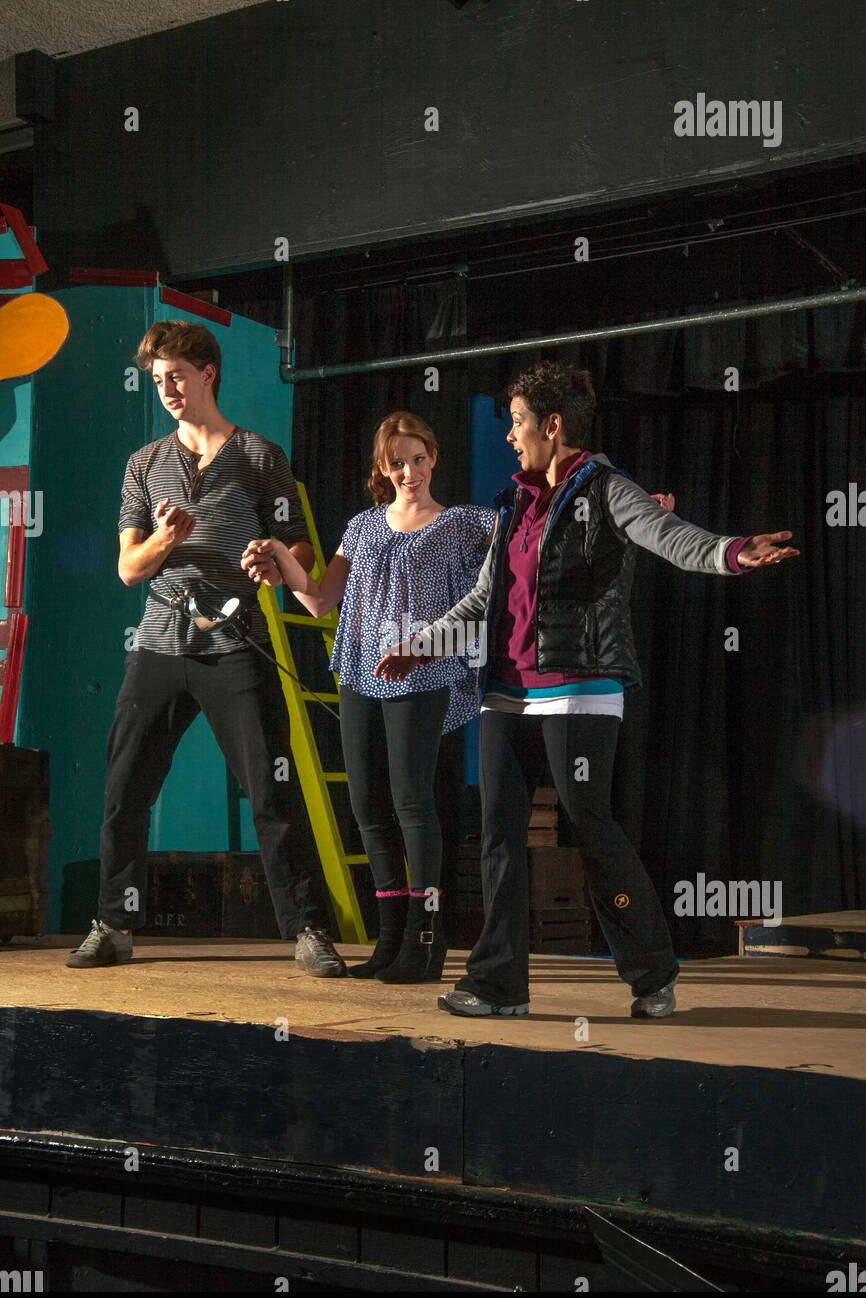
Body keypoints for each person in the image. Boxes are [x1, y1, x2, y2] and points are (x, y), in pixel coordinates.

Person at [375, 360, 799, 1018]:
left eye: (518, 423)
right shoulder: (512, 503)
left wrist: (732, 552)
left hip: (580, 685)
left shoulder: (605, 489)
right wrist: (420, 645)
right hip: (505, 691)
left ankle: (653, 972)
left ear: (552, 425)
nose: (511, 436)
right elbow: (486, 598)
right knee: (497, 835)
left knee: (589, 826)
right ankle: (497, 986)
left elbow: (670, 537)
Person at [67, 319, 345, 977]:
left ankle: (306, 929)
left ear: (207, 373)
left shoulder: (258, 456)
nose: (166, 388)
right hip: (160, 645)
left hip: (236, 644)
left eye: (176, 377)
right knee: (125, 789)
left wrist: (274, 557)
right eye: (157, 379)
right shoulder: (145, 464)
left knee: (273, 790)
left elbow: (301, 545)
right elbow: (129, 568)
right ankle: (112, 925)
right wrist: (166, 539)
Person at [242, 412, 495, 982]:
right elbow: (318, 599)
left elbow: (529, 533)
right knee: (367, 806)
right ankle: (390, 936)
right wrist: (281, 558)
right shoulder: (361, 528)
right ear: (383, 468)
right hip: (361, 672)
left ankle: (426, 939)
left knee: (411, 800)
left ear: (434, 457)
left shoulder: (463, 523)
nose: (410, 471)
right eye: (398, 462)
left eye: (419, 458)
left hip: (421, 673)